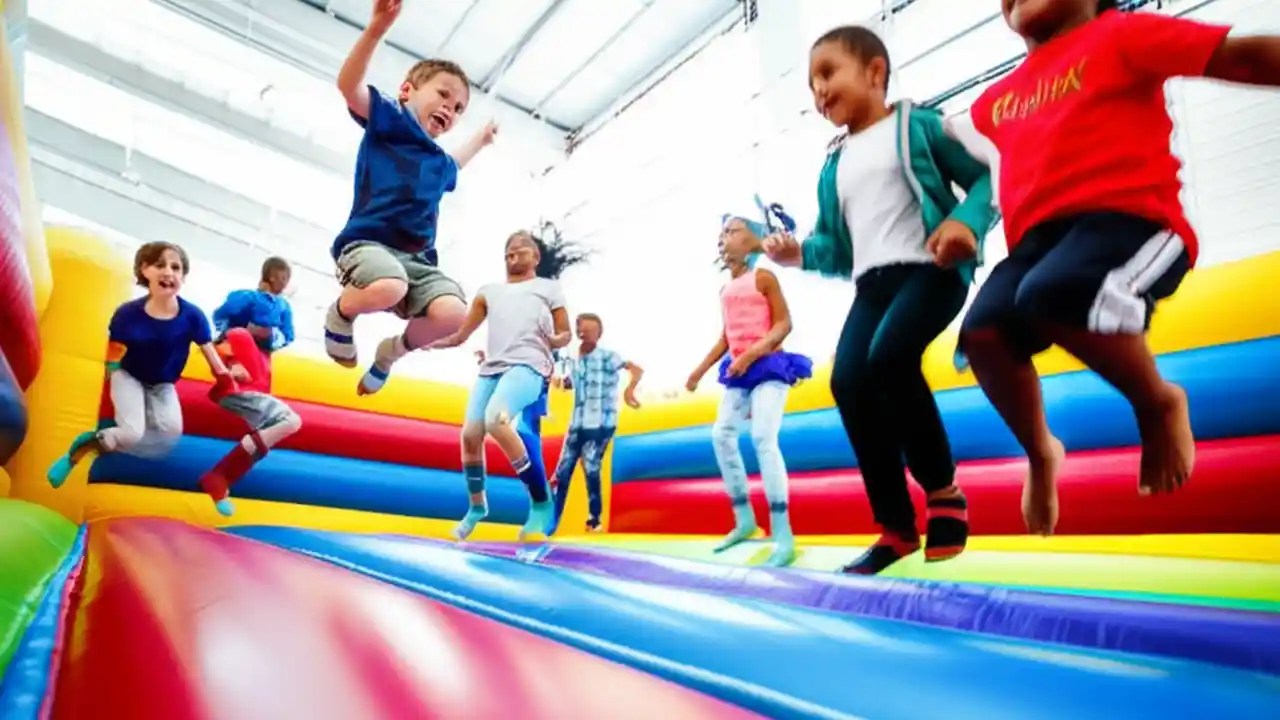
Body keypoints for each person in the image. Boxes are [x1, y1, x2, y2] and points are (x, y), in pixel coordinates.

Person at [960, 0, 1280, 536]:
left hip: (1133, 222)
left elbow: (1241, 58)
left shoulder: (1121, 36)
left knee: (1055, 291)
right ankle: (1042, 452)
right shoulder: (996, 101)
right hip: (1039, 244)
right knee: (983, 333)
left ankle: (1157, 402)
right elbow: (954, 168)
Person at [765, 26, 999, 574]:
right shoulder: (834, 164)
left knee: (889, 357)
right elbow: (834, 244)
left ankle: (944, 492)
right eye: (810, 84)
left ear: (875, 72)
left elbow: (987, 177)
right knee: (848, 381)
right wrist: (795, 252)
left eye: (827, 74)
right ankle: (895, 526)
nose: (818, 91)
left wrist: (965, 223)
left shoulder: (918, 126)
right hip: (873, 285)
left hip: (932, 270)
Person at [323, 0, 498, 396]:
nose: (449, 110)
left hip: (417, 261)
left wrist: (481, 141)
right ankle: (342, 312)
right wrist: (376, 29)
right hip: (367, 246)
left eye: (458, 109)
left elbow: (457, 162)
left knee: (454, 313)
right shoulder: (391, 120)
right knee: (390, 285)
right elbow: (349, 86)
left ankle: (390, 353)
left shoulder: (438, 162)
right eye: (443, 95)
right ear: (406, 91)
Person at [428, 229, 589, 541]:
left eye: (522, 246)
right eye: (508, 247)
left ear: (535, 257)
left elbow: (564, 332)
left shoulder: (548, 288)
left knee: (496, 419)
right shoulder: (488, 292)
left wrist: (555, 339)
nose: (513, 249)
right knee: (470, 435)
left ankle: (541, 500)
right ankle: (477, 506)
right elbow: (461, 334)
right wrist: (429, 340)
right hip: (492, 370)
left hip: (528, 366)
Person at [47, 242, 239, 487]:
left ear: (182, 277)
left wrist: (224, 377)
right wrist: (112, 378)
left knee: (169, 435)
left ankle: (103, 441)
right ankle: (79, 451)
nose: (168, 272)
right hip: (130, 375)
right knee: (132, 432)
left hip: (162, 383)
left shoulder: (192, 316)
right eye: (160, 265)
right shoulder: (127, 314)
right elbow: (115, 350)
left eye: (176, 268)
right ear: (144, 270)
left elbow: (209, 351)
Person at [689, 203, 813, 568]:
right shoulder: (726, 290)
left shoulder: (764, 279)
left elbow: (783, 324)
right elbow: (726, 337)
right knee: (721, 434)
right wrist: (699, 371)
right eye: (722, 234)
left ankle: (783, 534)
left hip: (769, 367)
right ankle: (744, 518)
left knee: (763, 438)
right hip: (740, 369)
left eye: (733, 231)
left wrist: (754, 353)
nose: (724, 238)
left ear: (753, 241)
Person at [549, 313, 643, 533]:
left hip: (602, 422)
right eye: (582, 330)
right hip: (578, 423)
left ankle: (594, 518)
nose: (585, 334)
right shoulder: (574, 359)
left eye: (591, 331)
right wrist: (556, 381)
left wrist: (629, 391)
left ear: (599, 334)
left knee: (591, 467)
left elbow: (637, 370)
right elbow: (570, 383)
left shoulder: (609, 357)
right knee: (563, 472)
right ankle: (552, 520)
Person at [198, 327, 303, 517]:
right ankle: (219, 475)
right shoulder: (239, 335)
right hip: (239, 392)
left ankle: (220, 480)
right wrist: (232, 366)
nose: (269, 328)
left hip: (250, 396)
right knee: (290, 420)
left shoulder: (264, 353)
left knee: (269, 434)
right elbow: (218, 353)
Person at [212, 255, 295, 388]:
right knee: (237, 336)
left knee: (261, 374)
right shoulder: (248, 297)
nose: (285, 284)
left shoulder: (283, 306)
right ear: (272, 277)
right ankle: (234, 367)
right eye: (284, 279)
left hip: (261, 349)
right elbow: (221, 314)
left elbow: (288, 335)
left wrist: (269, 334)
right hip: (236, 343)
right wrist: (234, 329)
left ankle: (241, 374)